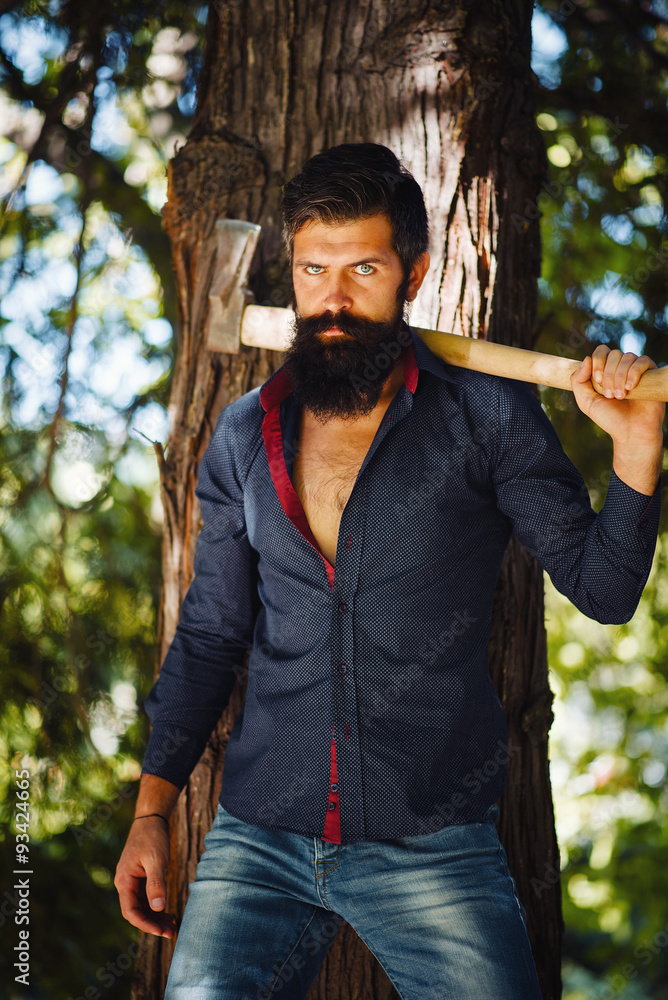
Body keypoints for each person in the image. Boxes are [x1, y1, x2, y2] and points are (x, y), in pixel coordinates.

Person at [114, 143, 664, 999]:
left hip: (434, 844)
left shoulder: (489, 415)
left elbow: (606, 589)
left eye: (362, 268)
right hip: (258, 839)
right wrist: (152, 811)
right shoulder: (241, 436)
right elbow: (213, 634)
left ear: (413, 274)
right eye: (312, 270)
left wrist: (635, 450)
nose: (332, 301)